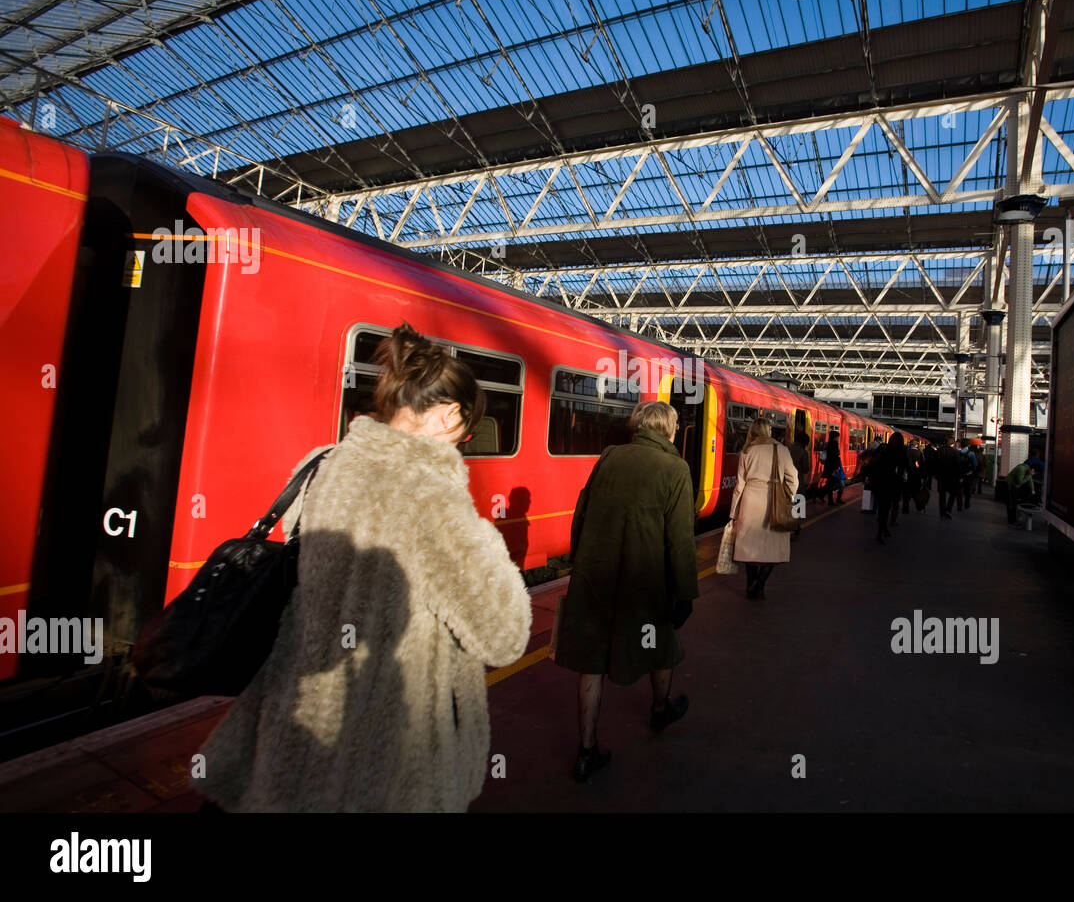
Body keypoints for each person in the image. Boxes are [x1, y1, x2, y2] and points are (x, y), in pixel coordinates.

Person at [191, 322, 532, 812]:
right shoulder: (433, 497)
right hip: (390, 753)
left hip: (294, 722)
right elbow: (505, 635)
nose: (462, 444)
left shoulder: (320, 465)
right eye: (466, 432)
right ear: (447, 417)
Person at [553, 400, 698, 782]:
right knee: (659, 645)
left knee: (592, 660)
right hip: (644, 582)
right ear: (669, 430)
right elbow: (680, 540)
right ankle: (660, 708)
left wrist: (579, 562)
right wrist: (685, 592)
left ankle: (586, 751)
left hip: (595, 577)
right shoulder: (676, 468)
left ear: (639, 427)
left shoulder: (610, 457)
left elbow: (581, 513)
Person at [731, 417, 798, 600]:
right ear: (769, 431)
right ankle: (759, 585)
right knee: (774, 548)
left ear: (752, 431)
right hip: (774, 501)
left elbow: (740, 484)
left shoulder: (746, 451)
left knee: (749, 547)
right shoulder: (781, 450)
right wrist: (788, 496)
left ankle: (750, 584)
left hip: (750, 501)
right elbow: (793, 478)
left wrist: (734, 512)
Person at [868, 432, 907, 544]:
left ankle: (883, 529)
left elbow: (872, 462)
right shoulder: (901, 452)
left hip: (878, 483)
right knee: (885, 509)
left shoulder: (883, 448)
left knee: (882, 508)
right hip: (891, 485)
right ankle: (880, 533)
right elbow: (904, 469)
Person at [790, 429, 812, 539]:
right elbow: (805, 469)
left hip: (786, 481)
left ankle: (787, 525)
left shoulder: (787, 448)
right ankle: (796, 526)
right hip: (798, 481)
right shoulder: (803, 452)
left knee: (788, 504)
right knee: (798, 505)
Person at [936, 437, 965, 520]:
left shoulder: (939, 451)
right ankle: (948, 509)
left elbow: (935, 463)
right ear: (953, 444)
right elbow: (958, 466)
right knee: (952, 494)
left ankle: (942, 512)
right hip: (952, 478)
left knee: (942, 496)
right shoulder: (955, 453)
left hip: (941, 477)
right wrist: (959, 477)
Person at [1006, 459, 1042, 525]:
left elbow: (1030, 482)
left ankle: (1013, 520)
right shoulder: (1021, 469)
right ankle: (1011, 521)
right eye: (1034, 473)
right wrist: (1028, 477)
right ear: (1032, 470)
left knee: (1014, 503)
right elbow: (1019, 481)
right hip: (1009, 485)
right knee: (1011, 504)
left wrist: (1033, 490)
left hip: (1014, 486)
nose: (1033, 475)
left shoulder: (1027, 470)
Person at [823, 431, 845, 505]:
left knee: (830, 484)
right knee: (835, 484)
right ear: (835, 437)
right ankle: (832, 500)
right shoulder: (834, 444)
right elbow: (835, 457)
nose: (838, 438)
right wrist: (836, 468)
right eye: (837, 437)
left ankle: (820, 494)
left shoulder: (828, 444)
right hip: (834, 468)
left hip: (829, 467)